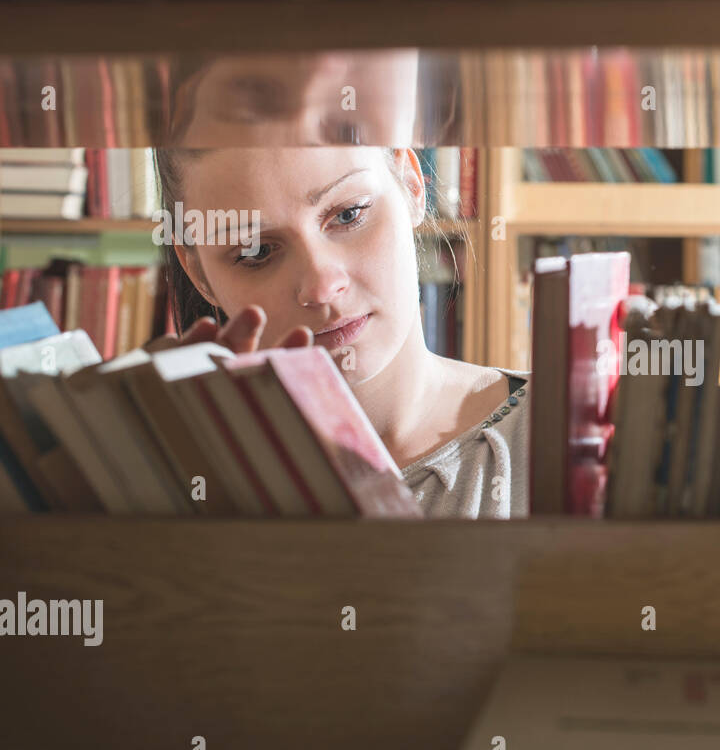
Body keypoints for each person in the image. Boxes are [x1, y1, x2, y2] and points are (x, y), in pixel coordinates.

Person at [151, 144, 528, 518]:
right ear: (198, 273)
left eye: (349, 215)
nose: (321, 286)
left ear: (412, 185)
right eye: (256, 252)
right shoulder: (174, 486)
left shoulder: (567, 438)